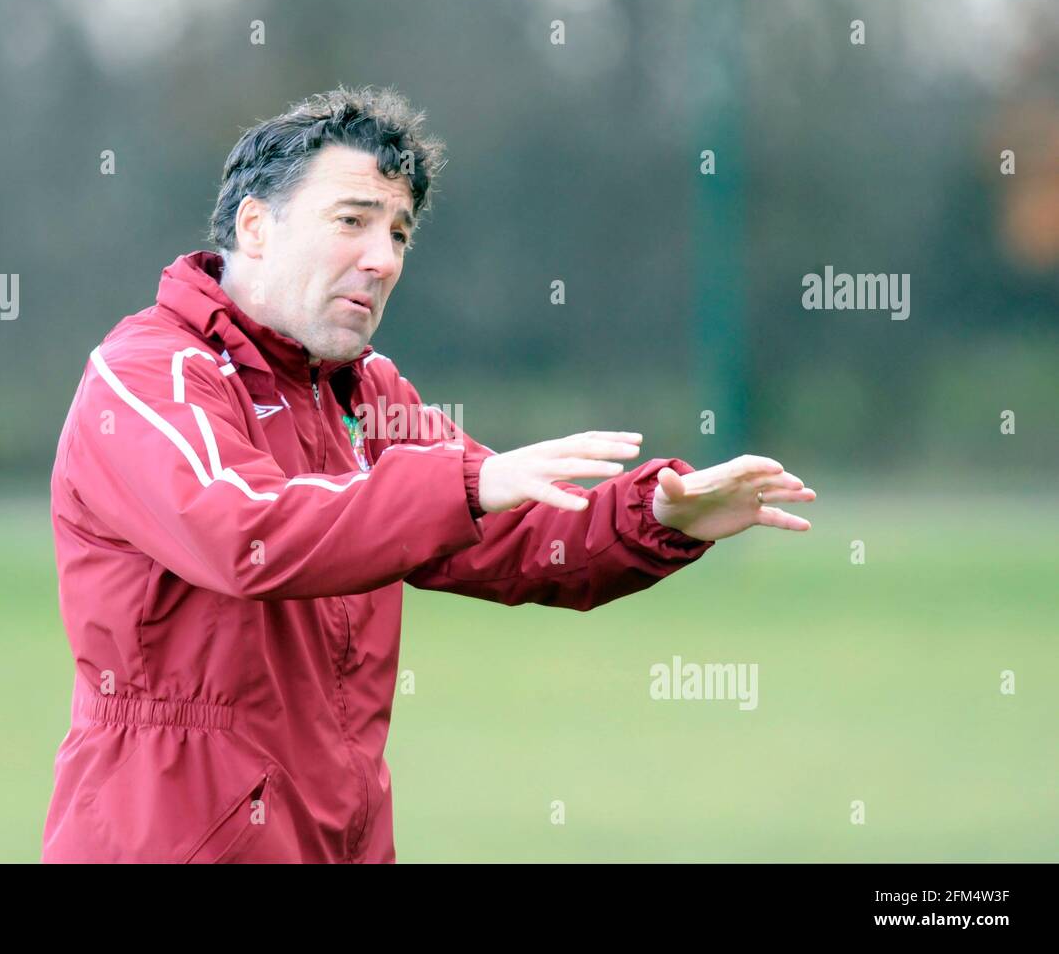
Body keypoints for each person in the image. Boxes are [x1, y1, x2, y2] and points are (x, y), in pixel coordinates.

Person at [40, 86, 815, 863]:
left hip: (342, 835)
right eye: (352, 220)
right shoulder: (146, 376)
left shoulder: (367, 394)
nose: (381, 258)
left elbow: (517, 531)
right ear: (256, 226)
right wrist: (463, 486)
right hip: (169, 840)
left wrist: (659, 516)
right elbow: (247, 532)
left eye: (399, 232)